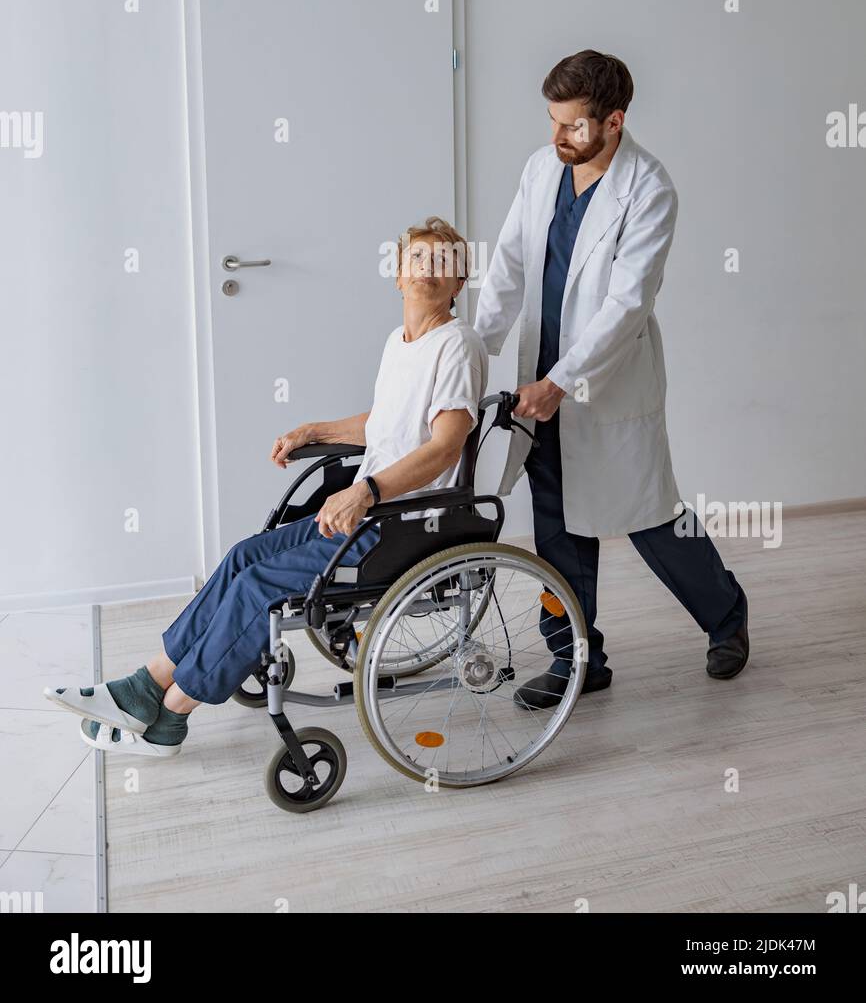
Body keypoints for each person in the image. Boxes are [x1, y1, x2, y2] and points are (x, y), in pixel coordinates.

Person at [44, 216, 488, 755]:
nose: (428, 270)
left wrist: (365, 490)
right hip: (369, 512)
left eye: (444, 263)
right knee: (242, 557)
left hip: (402, 522)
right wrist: (315, 430)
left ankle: (171, 716)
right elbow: (386, 422)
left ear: (459, 283)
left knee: (261, 587)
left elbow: (444, 446)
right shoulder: (400, 342)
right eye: (418, 259)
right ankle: (148, 683)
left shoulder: (458, 345)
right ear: (397, 275)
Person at [474, 50, 748, 710]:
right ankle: (577, 660)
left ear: (615, 121)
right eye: (552, 121)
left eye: (572, 126)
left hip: (606, 380)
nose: (557, 137)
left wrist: (564, 381)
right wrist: (475, 347)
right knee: (556, 525)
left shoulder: (649, 190)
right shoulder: (543, 169)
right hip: (539, 374)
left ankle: (727, 617)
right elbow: (510, 263)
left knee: (652, 520)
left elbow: (628, 306)